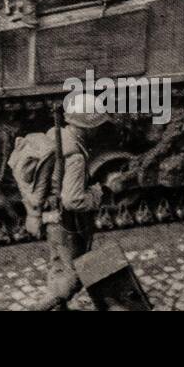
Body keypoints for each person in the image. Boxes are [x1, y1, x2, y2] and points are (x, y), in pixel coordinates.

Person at [9, 90, 112, 311]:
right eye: (96, 126)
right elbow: (73, 200)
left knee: (58, 266)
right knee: (73, 276)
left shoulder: (57, 134)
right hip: (65, 223)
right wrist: (99, 192)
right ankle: (43, 307)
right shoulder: (74, 156)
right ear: (88, 127)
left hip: (50, 219)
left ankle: (60, 307)